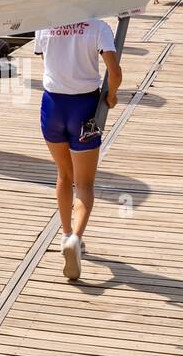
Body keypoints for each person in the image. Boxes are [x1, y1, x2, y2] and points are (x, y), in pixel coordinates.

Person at [35, 20, 122, 280]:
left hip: (52, 105)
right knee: (85, 183)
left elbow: (46, 61)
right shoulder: (98, 27)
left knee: (64, 174)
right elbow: (114, 73)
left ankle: (64, 234)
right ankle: (76, 238)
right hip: (84, 106)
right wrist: (112, 95)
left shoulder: (45, 23)